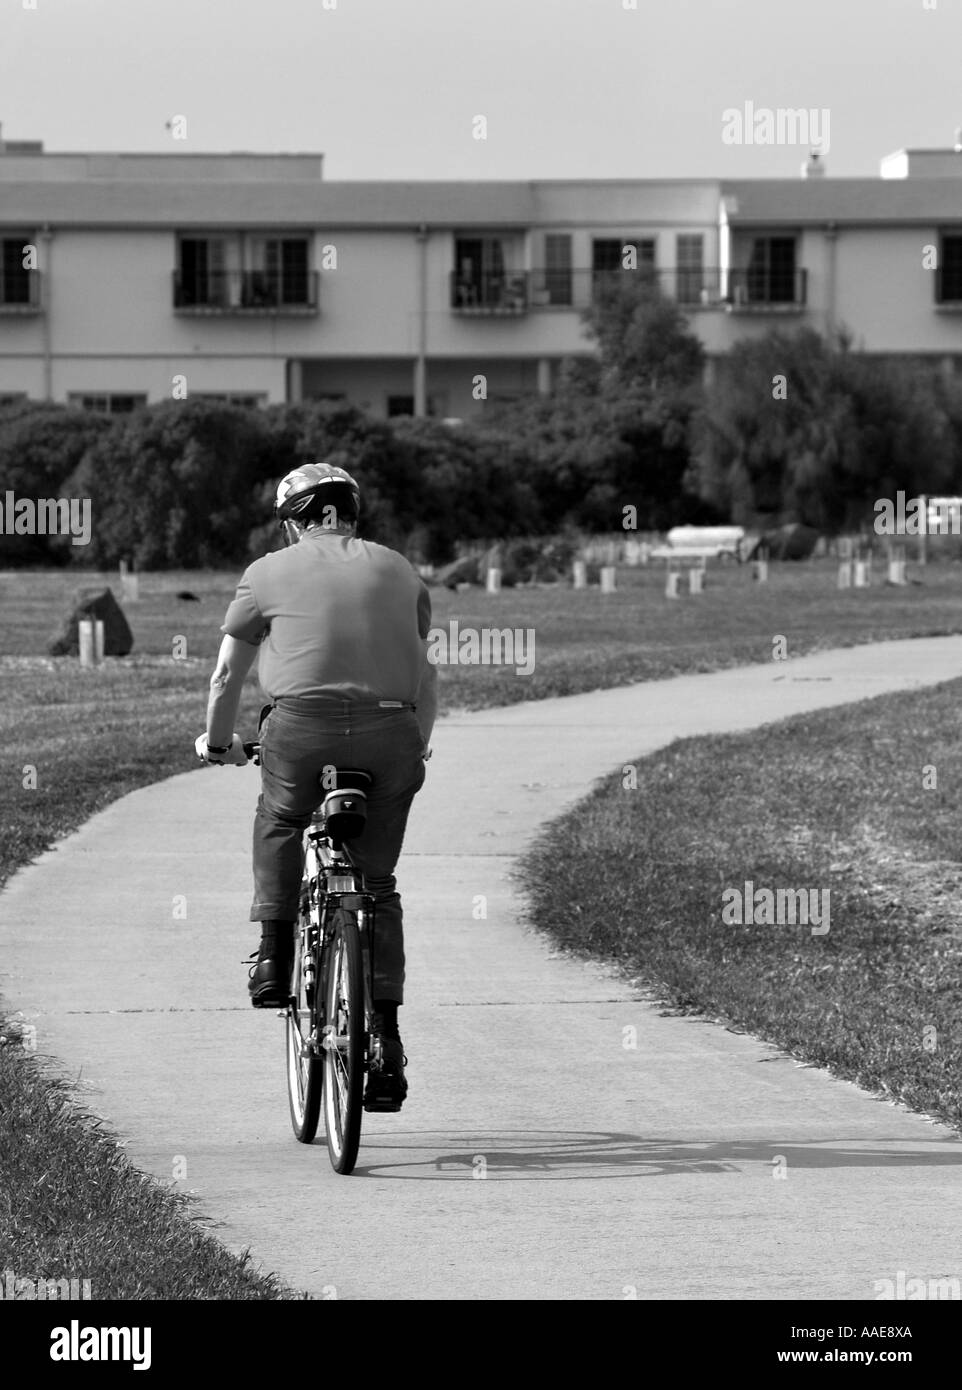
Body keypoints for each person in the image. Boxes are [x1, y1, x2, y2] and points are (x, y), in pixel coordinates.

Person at [194, 458, 437, 1107]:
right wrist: (421, 744)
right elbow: (426, 677)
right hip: (393, 737)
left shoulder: (265, 574)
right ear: (351, 515)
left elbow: (226, 679)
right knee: (378, 887)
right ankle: (383, 1038)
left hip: (299, 734)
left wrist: (219, 744)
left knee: (278, 817)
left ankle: (274, 956)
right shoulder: (400, 569)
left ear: (293, 524)